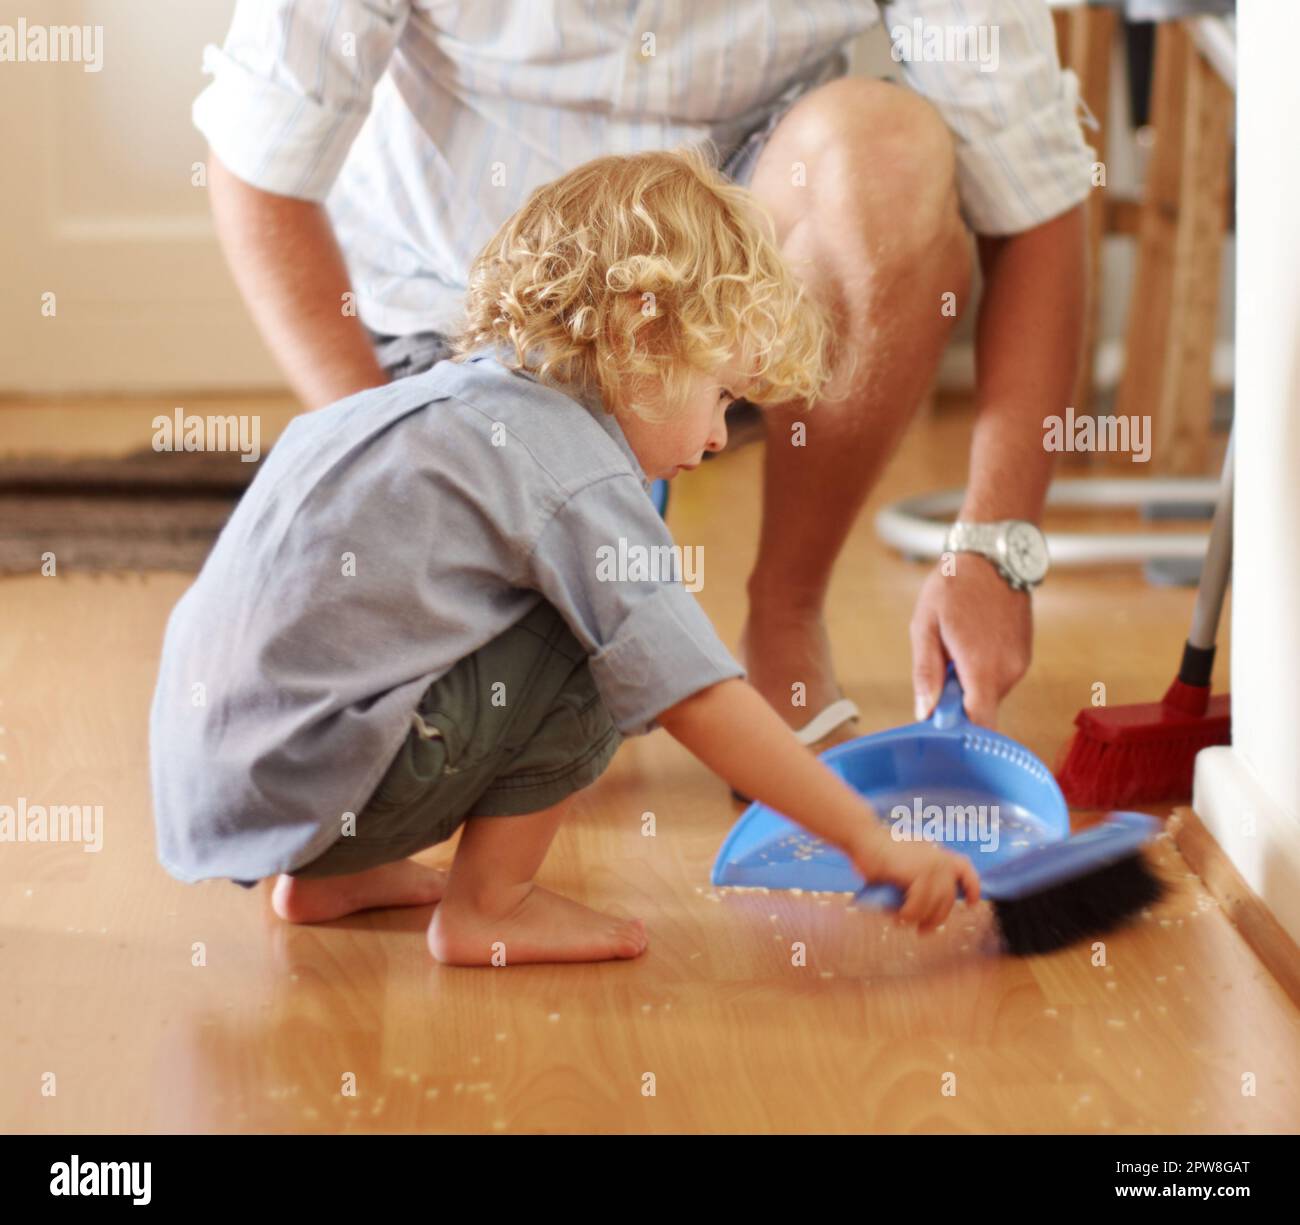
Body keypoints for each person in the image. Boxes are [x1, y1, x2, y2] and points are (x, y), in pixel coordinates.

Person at [149, 148, 980, 965]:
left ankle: (330, 877)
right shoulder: (567, 465)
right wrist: (869, 839)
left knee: (516, 611)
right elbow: (697, 693)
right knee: (599, 633)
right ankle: (489, 906)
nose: (724, 435)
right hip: (304, 774)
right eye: (721, 393)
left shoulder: (450, 400)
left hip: (229, 783)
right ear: (641, 332)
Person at [194, 0, 1093, 741]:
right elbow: (259, 163)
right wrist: (387, 477)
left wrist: (995, 547)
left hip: (721, 323)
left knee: (886, 150)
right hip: (451, 320)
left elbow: (1034, 201)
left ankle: (785, 611)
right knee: (502, 718)